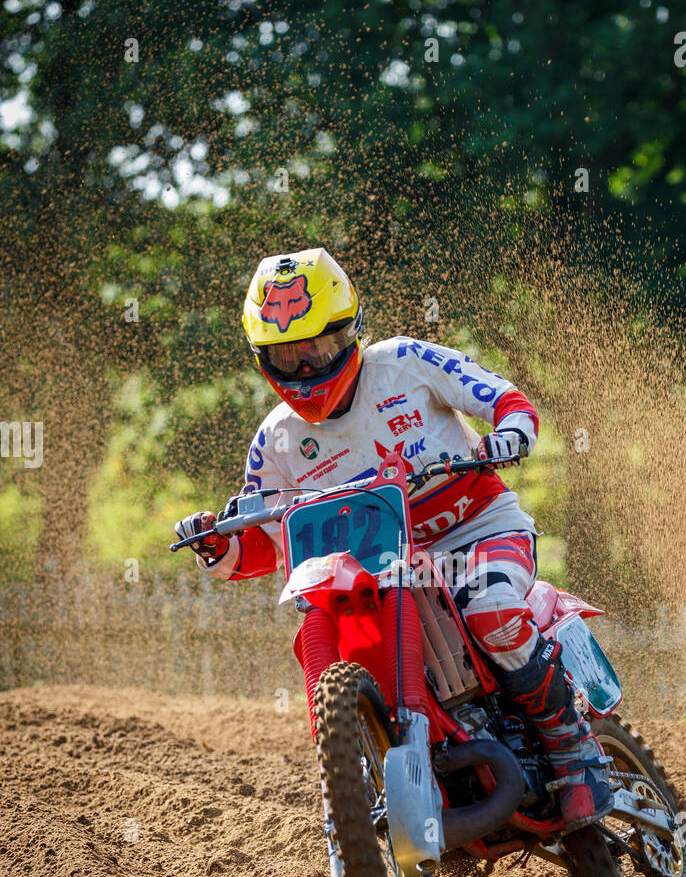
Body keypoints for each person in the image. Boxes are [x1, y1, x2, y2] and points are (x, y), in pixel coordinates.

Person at [175, 248, 612, 827]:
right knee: (335, 638)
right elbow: (265, 546)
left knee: (493, 610)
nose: (305, 368)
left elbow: (504, 398)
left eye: (318, 347)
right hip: (383, 574)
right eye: (287, 354)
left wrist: (509, 434)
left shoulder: (407, 363)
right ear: (263, 357)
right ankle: (375, 780)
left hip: (475, 533)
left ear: (348, 331)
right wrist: (217, 543)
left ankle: (572, 749)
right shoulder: (274, 441)